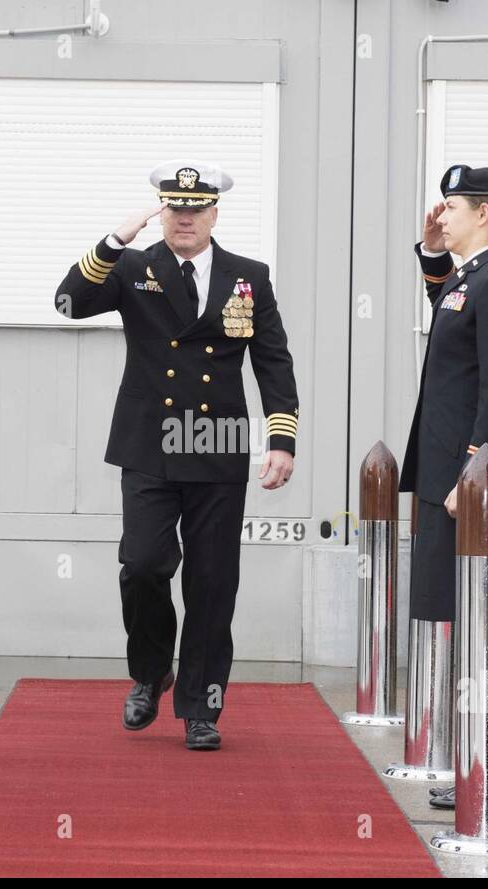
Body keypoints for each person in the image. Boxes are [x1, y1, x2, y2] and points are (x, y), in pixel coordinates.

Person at [54, 160, 299, 750]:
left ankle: (201, 706)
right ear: (161, 211)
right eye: (174, 208)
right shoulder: (134, 267)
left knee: (213, 582)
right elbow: (68, 302)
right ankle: (149, 672)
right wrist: (114, 241)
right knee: (142, 565)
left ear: (214, 213)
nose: (185, 218)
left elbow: (273, 360)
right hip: (149, 444)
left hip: (216, 445)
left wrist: (281, 438)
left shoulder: (249, 276)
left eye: (196, 209)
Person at [399, 164, 488, 812]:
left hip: (479, 479)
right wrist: (431, 251)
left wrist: (475, 468)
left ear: (485, 213)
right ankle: (481, 757)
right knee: (464, 625)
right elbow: (446, 308)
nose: (441, 213)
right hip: (454, 477)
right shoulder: (471, 278)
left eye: (451, 205)